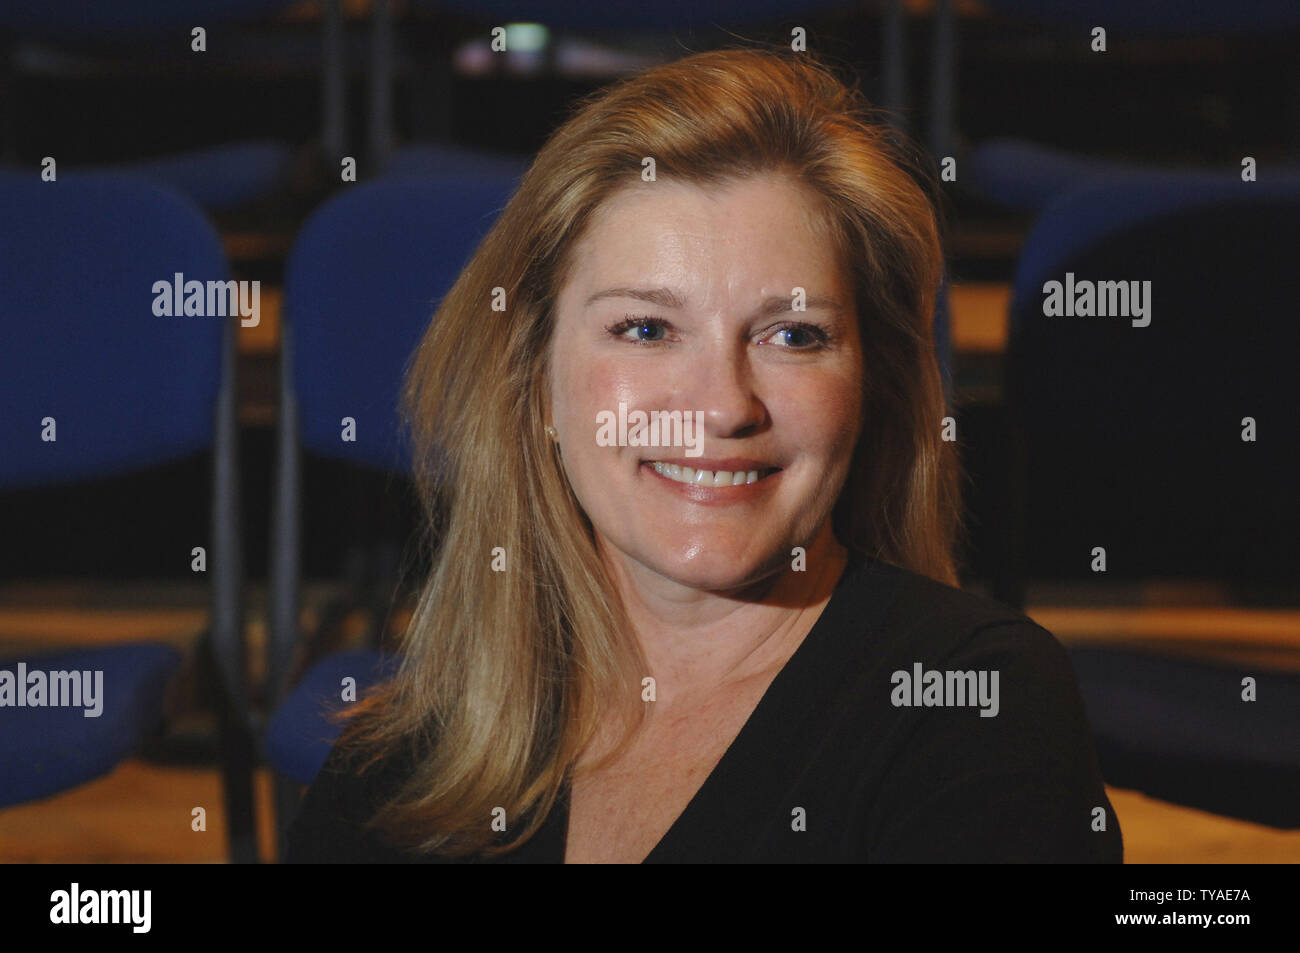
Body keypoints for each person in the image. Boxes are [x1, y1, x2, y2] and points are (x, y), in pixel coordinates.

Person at [286, 46, 1122, 863]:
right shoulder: (397, 768)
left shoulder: (976, 712)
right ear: (535, 382)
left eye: (794, 335)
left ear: (871, 385)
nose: (723, 404)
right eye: (645, 328)